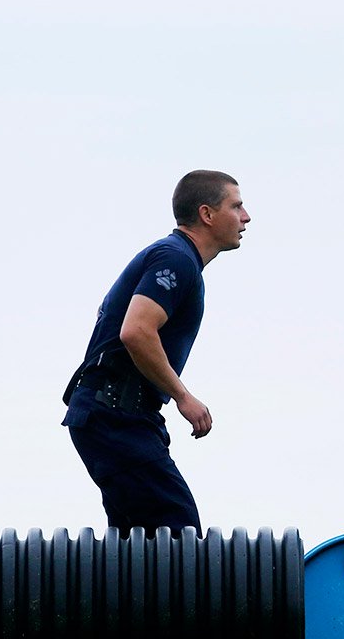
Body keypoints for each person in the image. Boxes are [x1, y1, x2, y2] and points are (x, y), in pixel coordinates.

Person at [62, 170, 250, 533]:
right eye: (236, 205)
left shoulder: (177, 260)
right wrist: (183, 396)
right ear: (207, 214)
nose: (246, 216)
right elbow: (135, 330)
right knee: (178, 539)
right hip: (115, 416)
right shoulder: (175, 258)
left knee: (138, 552)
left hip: (122, 416)